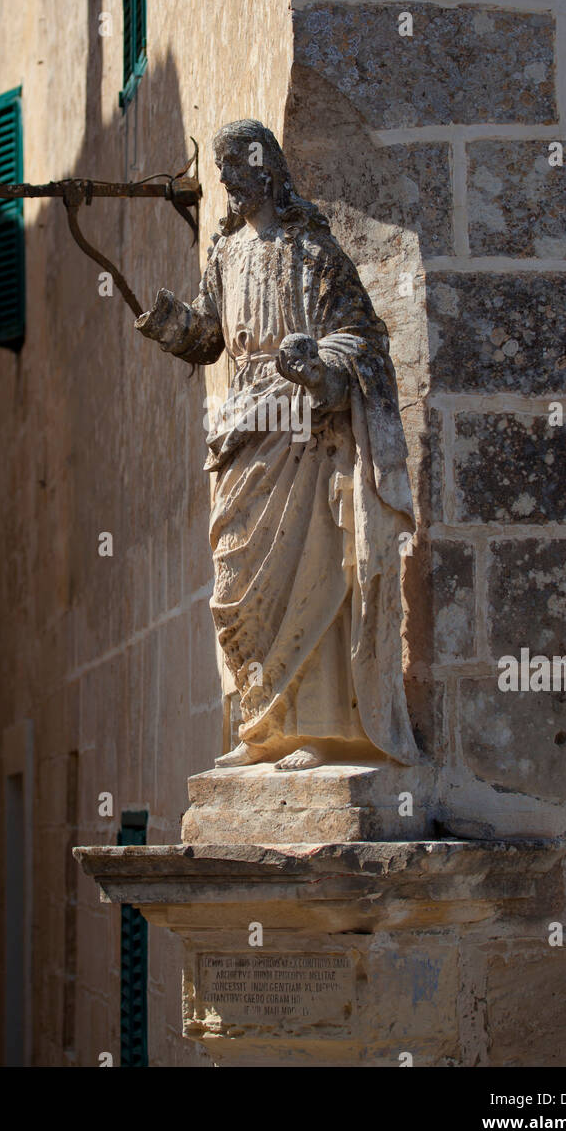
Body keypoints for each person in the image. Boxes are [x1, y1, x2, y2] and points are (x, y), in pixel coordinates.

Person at [136, 120, 420, 770]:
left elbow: (362, 336)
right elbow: (209, 335)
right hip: (244, 426)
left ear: (267, 169)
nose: (226, 179)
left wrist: (317, 366)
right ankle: (263, 728)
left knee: (312, 573)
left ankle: (317, 728)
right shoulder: (226, 253)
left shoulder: (312, 253)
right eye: (221, 167)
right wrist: (164, 321)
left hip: (304, 429)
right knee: (238, 575)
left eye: (236, 165)